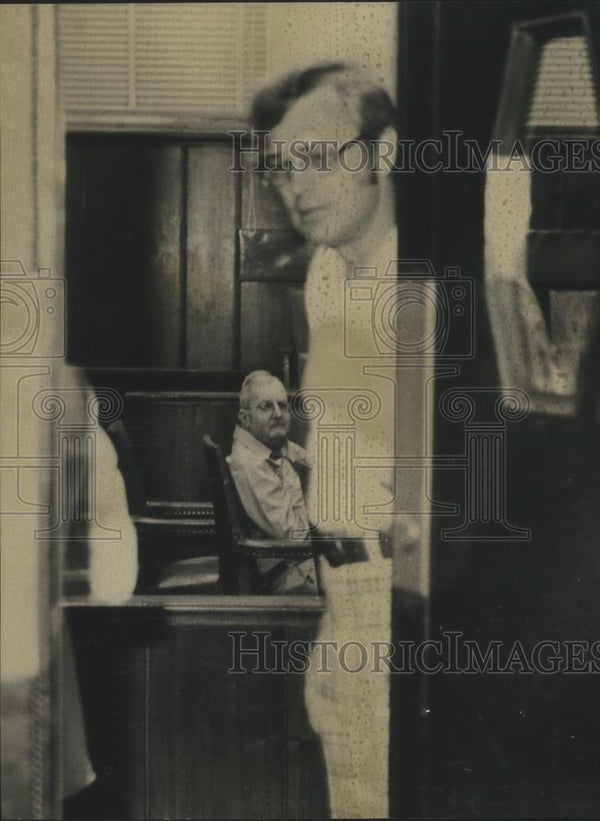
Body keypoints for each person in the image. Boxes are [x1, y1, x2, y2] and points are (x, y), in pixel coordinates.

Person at [251, 63, 422, 818]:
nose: (297, 184)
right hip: (344, 585)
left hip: (410, 594)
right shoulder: (325, 274)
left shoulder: (429, 276)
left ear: (381, 153)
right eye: (284, 165)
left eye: (320, 157)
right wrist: (337, 616)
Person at [228, 370, 318, 595]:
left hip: (302, 559)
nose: (278, 414)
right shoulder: (251, 462)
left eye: (283, 406)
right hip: (291, 571)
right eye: (266, 407)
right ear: (245, 417)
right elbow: (296, 536)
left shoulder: (271, 444)